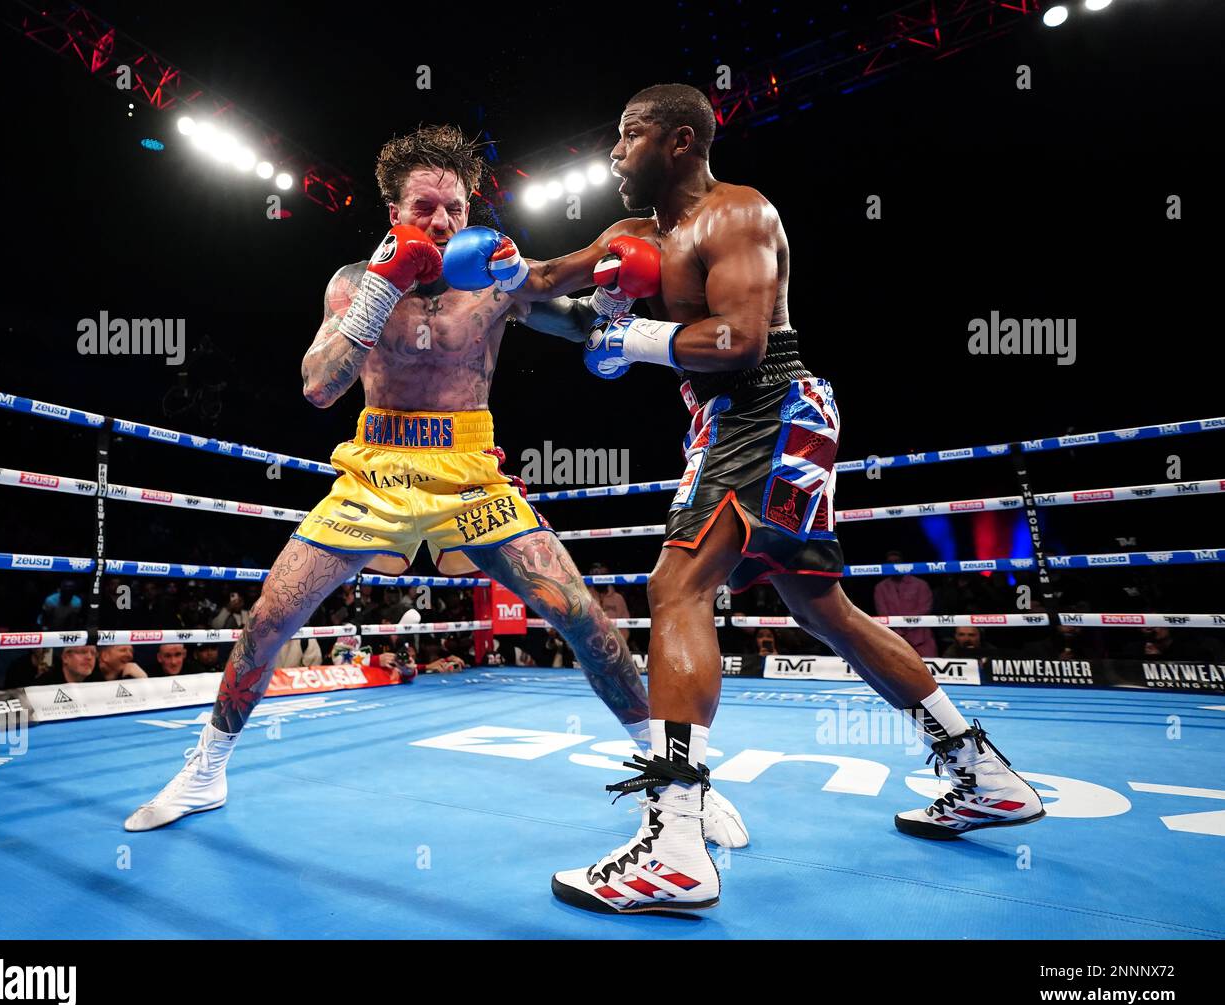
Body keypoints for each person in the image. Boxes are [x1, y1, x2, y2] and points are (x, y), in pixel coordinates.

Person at [446, 84, 1042, 912]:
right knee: (821, 607)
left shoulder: (738, 215)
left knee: (675, 586)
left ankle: (677, 845)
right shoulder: (629, 235)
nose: (614, 154)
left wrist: (636, 337)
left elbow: (739, 339)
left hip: (766, 402)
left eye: (628, 137)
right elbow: (548, 285)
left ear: (680, 141)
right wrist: (488, 272)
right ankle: (985, 773)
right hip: (733, 419)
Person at [124, 124, 747, 849]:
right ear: (394, 209)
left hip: (472, 474)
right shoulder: (354, 282)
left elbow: (589, 335)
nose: (444, 223)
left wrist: (613, 297)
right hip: (376, 469)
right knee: (270, 616)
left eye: (455, 207)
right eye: (426, 208)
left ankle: (676, 786)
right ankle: (206, 769)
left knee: (582, 614)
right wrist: (380, 292)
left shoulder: (494, 278)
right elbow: (319, 388)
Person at [872, 551, 937, 657]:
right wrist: (898, 629)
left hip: (921, 637)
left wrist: (906, 624)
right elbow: (882, 611)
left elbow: (925, 608)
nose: (893, 565)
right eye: (890, 562)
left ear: (904, 563)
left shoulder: (921, 585)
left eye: (896, 561)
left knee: (929, 669)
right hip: (894, 636)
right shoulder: (880, 588)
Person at [36, 646, 101, 685]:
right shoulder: (44, 685)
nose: (89, 657)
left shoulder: (99, 684)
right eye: (83, 652)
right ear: (65, 657)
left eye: (93, 653)